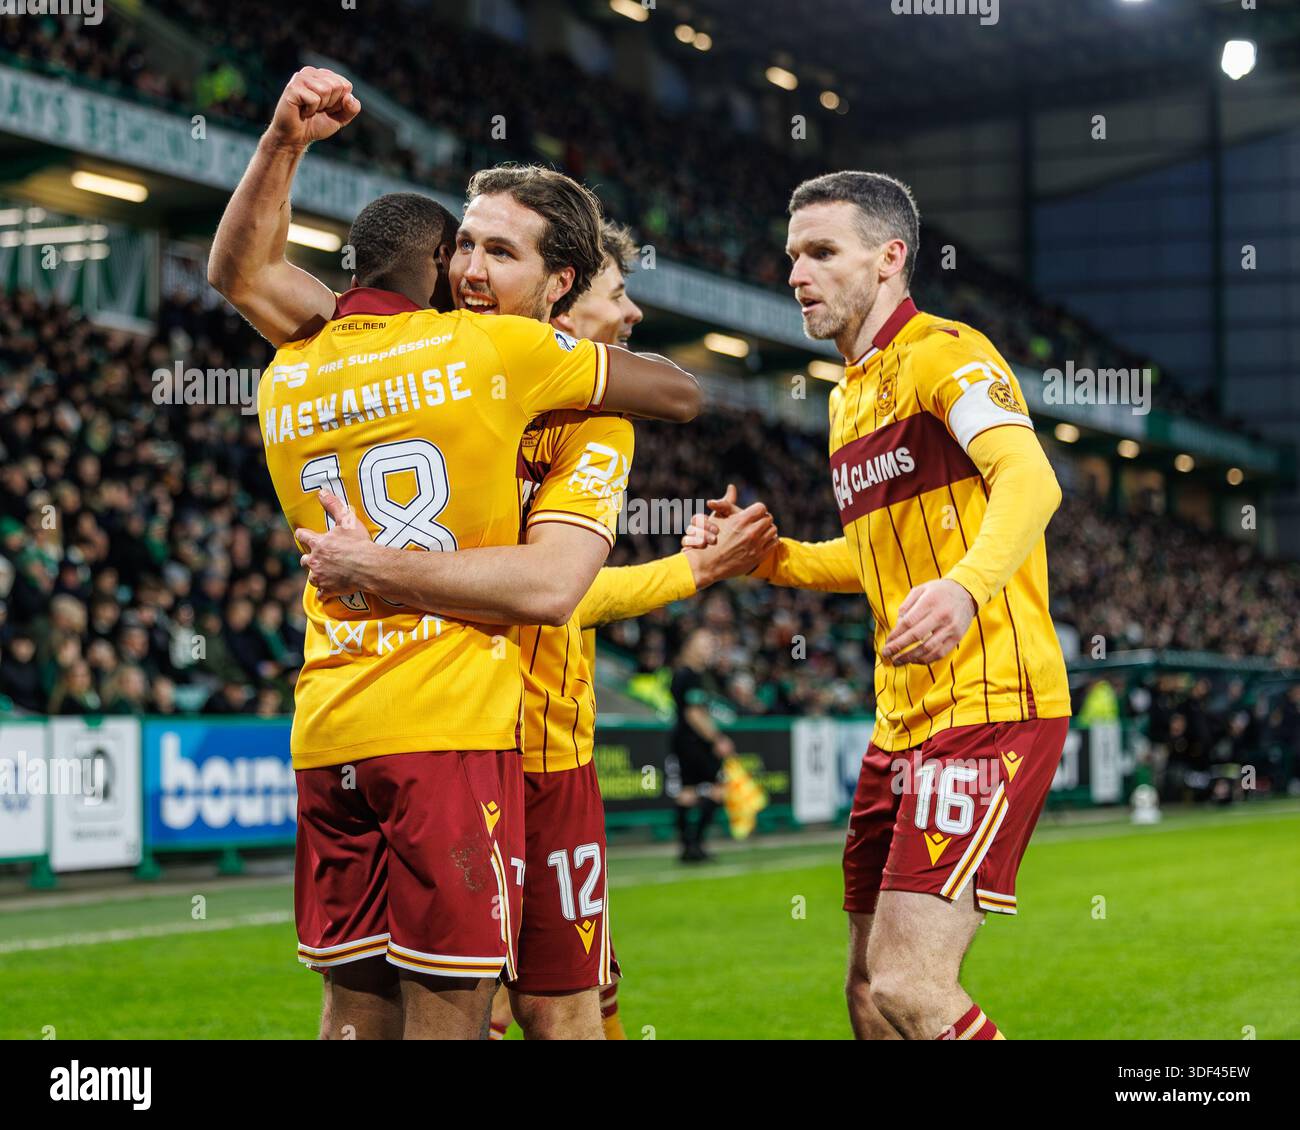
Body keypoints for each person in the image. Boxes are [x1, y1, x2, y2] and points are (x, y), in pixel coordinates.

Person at [210, 67, 700, 1040]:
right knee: (419, 1010)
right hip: (431, 729)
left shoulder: (585, 416)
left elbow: (562, 588)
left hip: (539, 750)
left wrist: (372, 568)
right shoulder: (414, 347)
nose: (470, 267)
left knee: (559, 1017)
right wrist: (280, 144)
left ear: (557, 285)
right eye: (463, 244)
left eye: (498, 252)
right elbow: (243, 274)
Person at [686, 170, 1070, 1040]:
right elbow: (868, 559)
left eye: (823, 252)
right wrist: (769, 558)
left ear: (891, 257)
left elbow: (1030, 476)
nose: (797, 274)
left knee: (907, 984)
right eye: (792, 256)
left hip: (989, 706)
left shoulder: (946, 350)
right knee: (864, 988)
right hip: (900, 723)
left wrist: (967, 589)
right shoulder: (847, 397)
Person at [667, 627, 735, 862]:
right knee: (715, 790)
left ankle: (690, 847)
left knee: (689, 793)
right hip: (691, 743)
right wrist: (717, 739)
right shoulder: (688, 676)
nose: (709, 649)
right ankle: (693, 844)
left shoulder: (696, 675)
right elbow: (693, 714)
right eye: (705, 644)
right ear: (690, 646)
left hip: (687, 741)